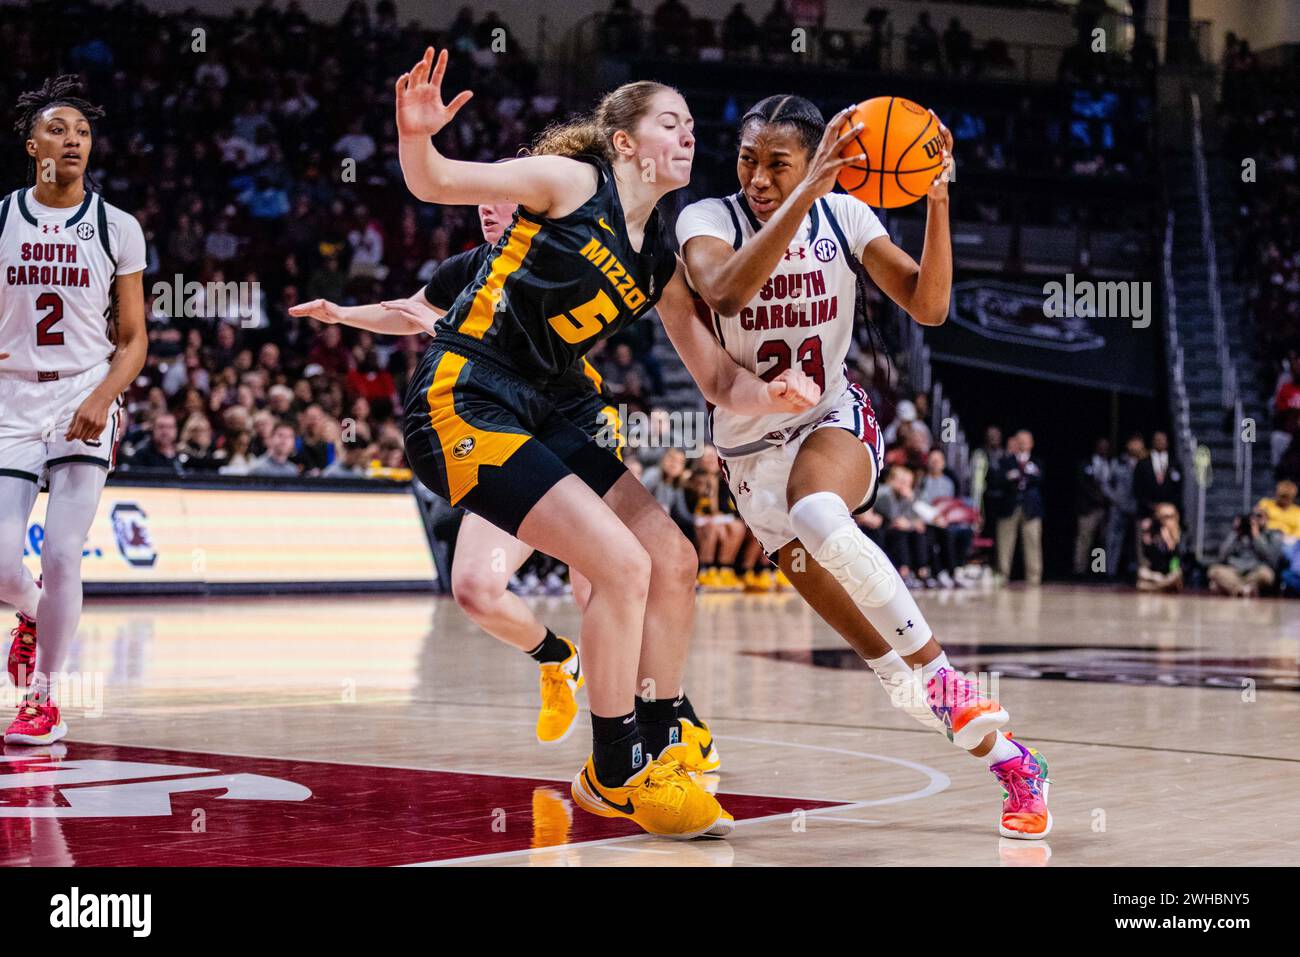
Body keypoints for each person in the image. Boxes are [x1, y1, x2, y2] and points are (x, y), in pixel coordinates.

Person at [389, 49, 822, 838]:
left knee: (676, 558)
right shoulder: (572, 183)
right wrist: (417, 138)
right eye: (669, 123)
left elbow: (721, 383)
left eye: (693, 126)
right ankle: (614, 766)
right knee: (618, 564)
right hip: (466, 392)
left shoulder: (658, 252)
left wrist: (774, 393)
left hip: (548, 404)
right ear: (623, 141)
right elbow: (438, 181)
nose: (688, 137)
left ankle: (662, 728)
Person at [677, 93, 1050, 838]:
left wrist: (938, 199)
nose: (756, 176)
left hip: (831, 420)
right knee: (886, 669)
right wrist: (805, 188)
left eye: (777, 163)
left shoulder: (846, 217)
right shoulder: (706, 220)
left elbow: (930, 305)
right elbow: (724, 288)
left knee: (821, 511)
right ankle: (1016, 765)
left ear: (813, 159)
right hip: (750, 460)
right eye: (748, 158)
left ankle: (947, 672)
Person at [294, 199, 630, 746]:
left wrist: (445, 327)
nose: (488, 210)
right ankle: (556, 659)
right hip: (509, 431)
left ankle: (653, 725)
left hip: (576, 425)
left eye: (504, 200)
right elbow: (407, 310)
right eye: (481, 203)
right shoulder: (466, 268)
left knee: (597, 588)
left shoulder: (558, 261)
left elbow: (516, 347)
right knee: (475, 587)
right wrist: (344, 314)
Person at [0, 76, 147, 745]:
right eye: (58, 130)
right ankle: (33, 615)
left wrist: (100, 397)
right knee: (4, 564)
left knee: (62, 553)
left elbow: (135, 338)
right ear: (32, 145)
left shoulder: (117, 226)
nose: (73, 141)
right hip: (11, 397)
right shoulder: (2, 217)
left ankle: (44, 696)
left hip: (83, 393)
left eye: (82, 133)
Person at [992, 430, 1044, 585]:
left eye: (1026, 441)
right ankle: (1002, 575)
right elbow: (997, 479)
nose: (1022, 443)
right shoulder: (1005, 461)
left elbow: (1040, 478)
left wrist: (1026, 475)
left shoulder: (1037, 461)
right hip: (1009, 506)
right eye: (1019, 440)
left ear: (1031, 444)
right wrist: (1010, 476)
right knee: (1005, 542)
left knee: (1033, 542)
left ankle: (1034, 578)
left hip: (1031, 508)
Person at [1208, 510, 1283, 597]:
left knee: (1267, 575)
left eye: (1259, 516)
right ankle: (1244, 590)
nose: (1256, 519)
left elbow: (1270, 558)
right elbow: (1222, 555)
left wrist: (1256, 535)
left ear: (1267, 519)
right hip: (1234, 572)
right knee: (1213, 571)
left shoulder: (1271, 535)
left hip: (1255, 572)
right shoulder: (1237, 534)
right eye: (1253, 516)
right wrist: (1236, 531)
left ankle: (1235, 589)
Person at [1106, 432, 1145, 578]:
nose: (1136, 446)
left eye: (1138, 442)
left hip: (1138, 507)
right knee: (1113, 540)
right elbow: (1107, 483)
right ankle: (1109, 572)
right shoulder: (1119, 462)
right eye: (1133, 442)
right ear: (1128, 445)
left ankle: (1139, 573)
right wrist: (1115, 498)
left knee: (1138, 543)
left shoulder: (1145, 462)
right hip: (1119, 507)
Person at [1073, 437, 1112, 577]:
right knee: (1084, 539)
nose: (1104, 449)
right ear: (1096, 447)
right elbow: (1082, 484)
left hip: (1104, 508)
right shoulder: (1086, 464)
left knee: (1102, 540)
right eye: (1102, 446)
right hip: (1088, 508)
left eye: (1106, 446)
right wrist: (1095, 497)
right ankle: (1080, 570)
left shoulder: (1110, 464)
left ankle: (1098, 569)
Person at [1137, 503, 1184, 592]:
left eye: (1171, 516)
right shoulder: (1153, 533)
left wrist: (1170, 542)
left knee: (1177, 574)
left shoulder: (1181, 533)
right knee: (1142, 572)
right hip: (1156, 575)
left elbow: (1176, 562)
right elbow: (1147, 558)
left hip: (1170, 573)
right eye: (1164, 517)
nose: (1167, 520)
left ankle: (1155, 587)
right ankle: (1162, 586)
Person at [1134, 430, 1181, 518]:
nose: (1160, 442)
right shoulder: (1143, 463)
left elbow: (1178, 487)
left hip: (1168, 510)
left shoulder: (1174, 463)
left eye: (1162, 439)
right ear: (1153, 442)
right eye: (1157, 440)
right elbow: (1137, 487)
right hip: (1146, 511)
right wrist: (1149, 504)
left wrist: (1169, 504)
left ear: (1167, 442)